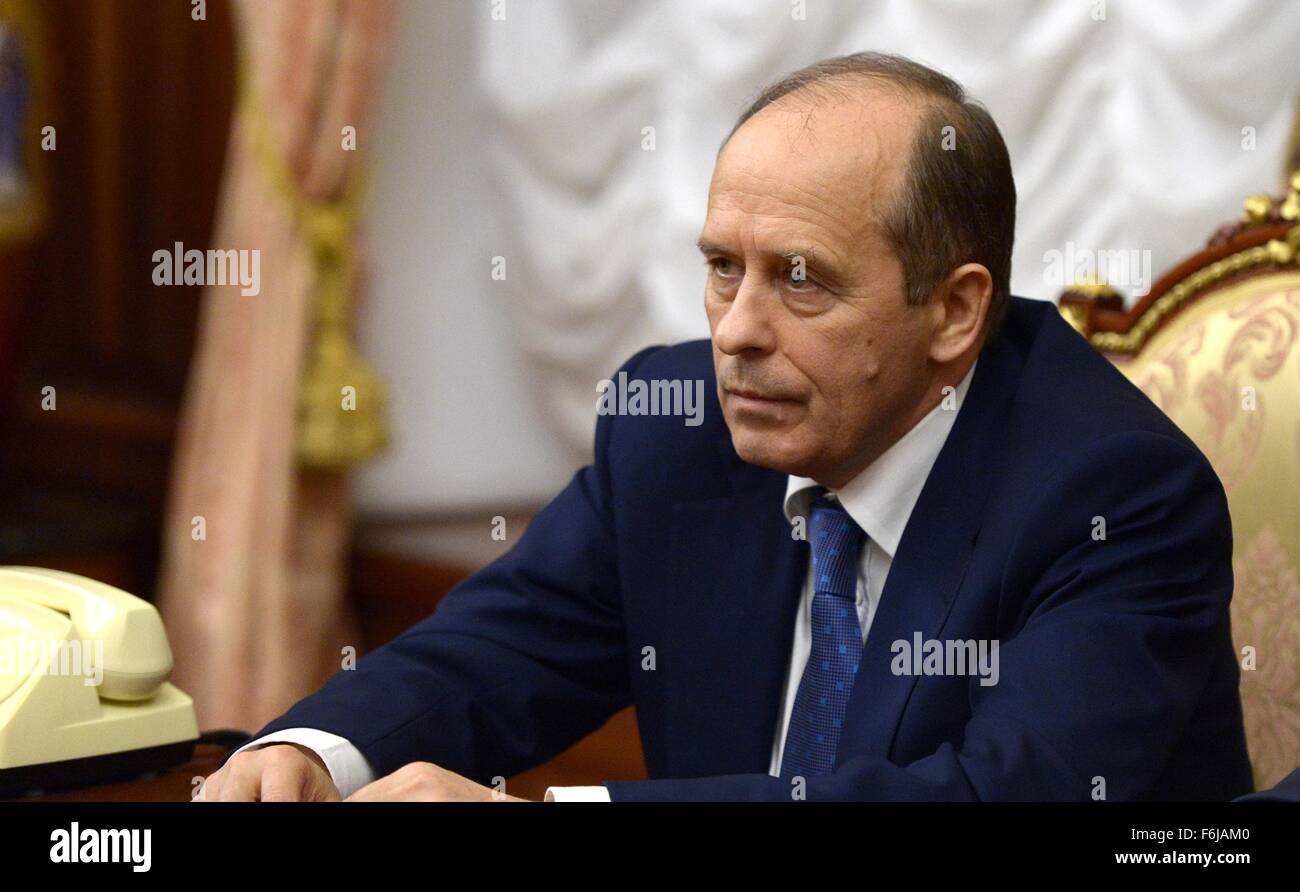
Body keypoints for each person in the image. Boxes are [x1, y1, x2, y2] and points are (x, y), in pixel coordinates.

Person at [196, 52, 1253, 802]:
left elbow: (996, 795)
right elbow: (491, 652)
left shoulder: (1113, 496)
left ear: (954, 310)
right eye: (720, 268)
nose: (736, 334)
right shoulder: (679, 426)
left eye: (800, 281)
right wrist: (313, 750)